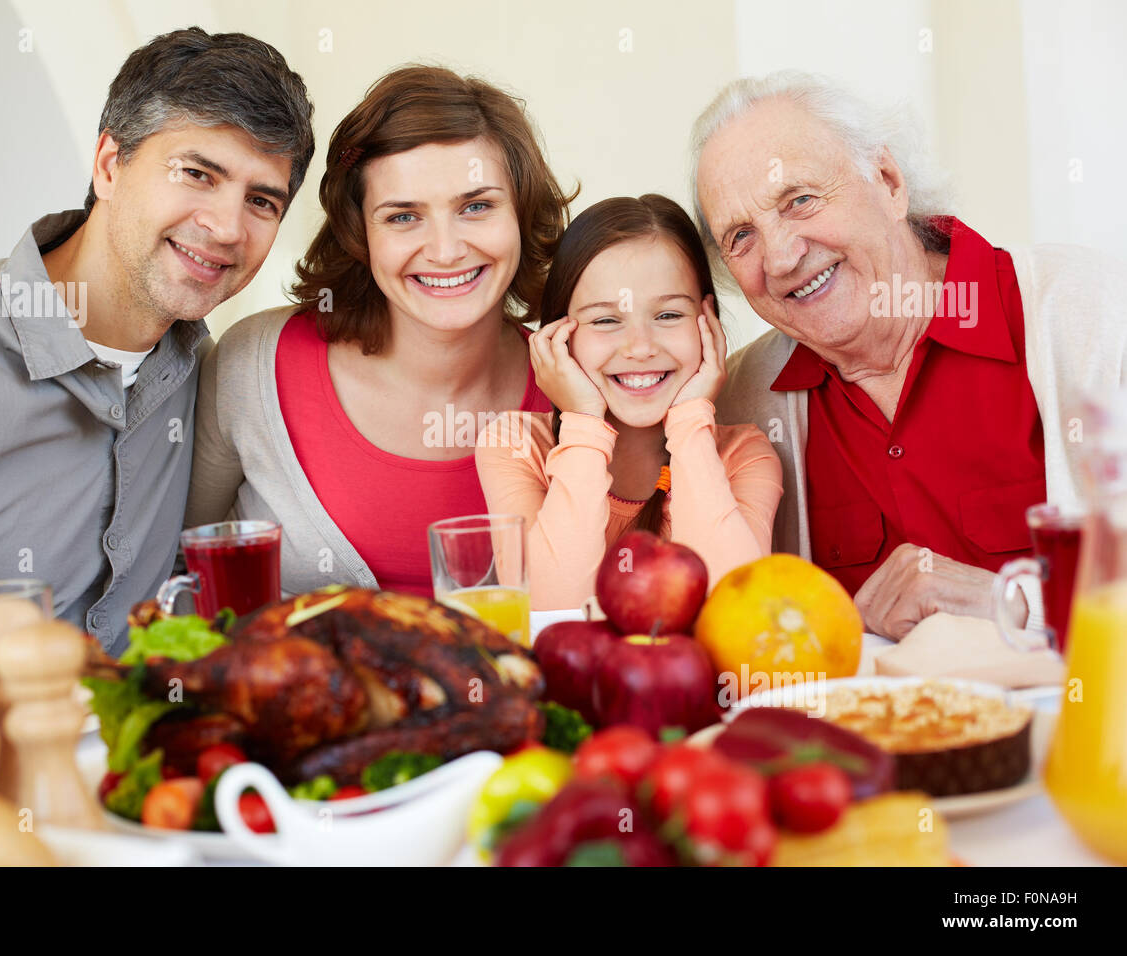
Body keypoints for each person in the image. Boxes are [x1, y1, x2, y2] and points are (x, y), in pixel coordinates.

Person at [0, 28, 315, 653]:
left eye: (262, 202)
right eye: (196, 173)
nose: (225, 227)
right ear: (110, 165)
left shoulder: (209, 376)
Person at [694, 70, 1127, 639]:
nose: (779, 258)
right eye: (740, 236)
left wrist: (1018, 602)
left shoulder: (1092, 312)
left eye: (799, 200)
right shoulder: (745, 402)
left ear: (889, 181)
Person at [186, 66, 574, 597]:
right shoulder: (252, 366)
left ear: (522, 216)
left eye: (476, 206)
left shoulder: (578, 393)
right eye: (402, 217)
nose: (444, 249)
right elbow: (177, 579)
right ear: (359, 234)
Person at [475, 195, 783, 610]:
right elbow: (549, 613)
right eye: (605, 320)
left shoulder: (743, 455)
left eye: (669, 315)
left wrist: (691, 423)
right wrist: (583, 423)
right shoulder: (514, 445)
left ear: (708, 325)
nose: (640, 348)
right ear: (559, 337)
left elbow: (736, 608)